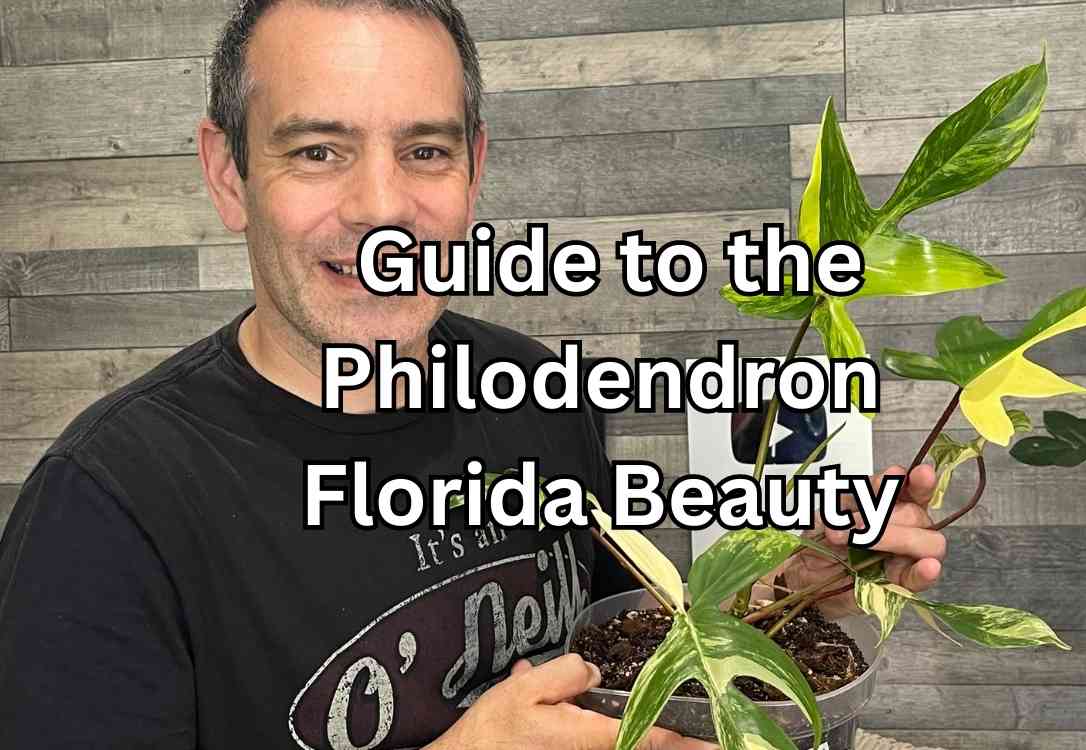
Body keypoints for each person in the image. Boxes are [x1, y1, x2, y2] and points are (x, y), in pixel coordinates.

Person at [0, 1, 948, 748]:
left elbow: (619, 642)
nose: (382, 210)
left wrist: (784, 592)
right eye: (318, 151)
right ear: (228, 172)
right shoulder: (107, 511)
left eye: (425, 151)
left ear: (476, 169)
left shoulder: (534, 391)